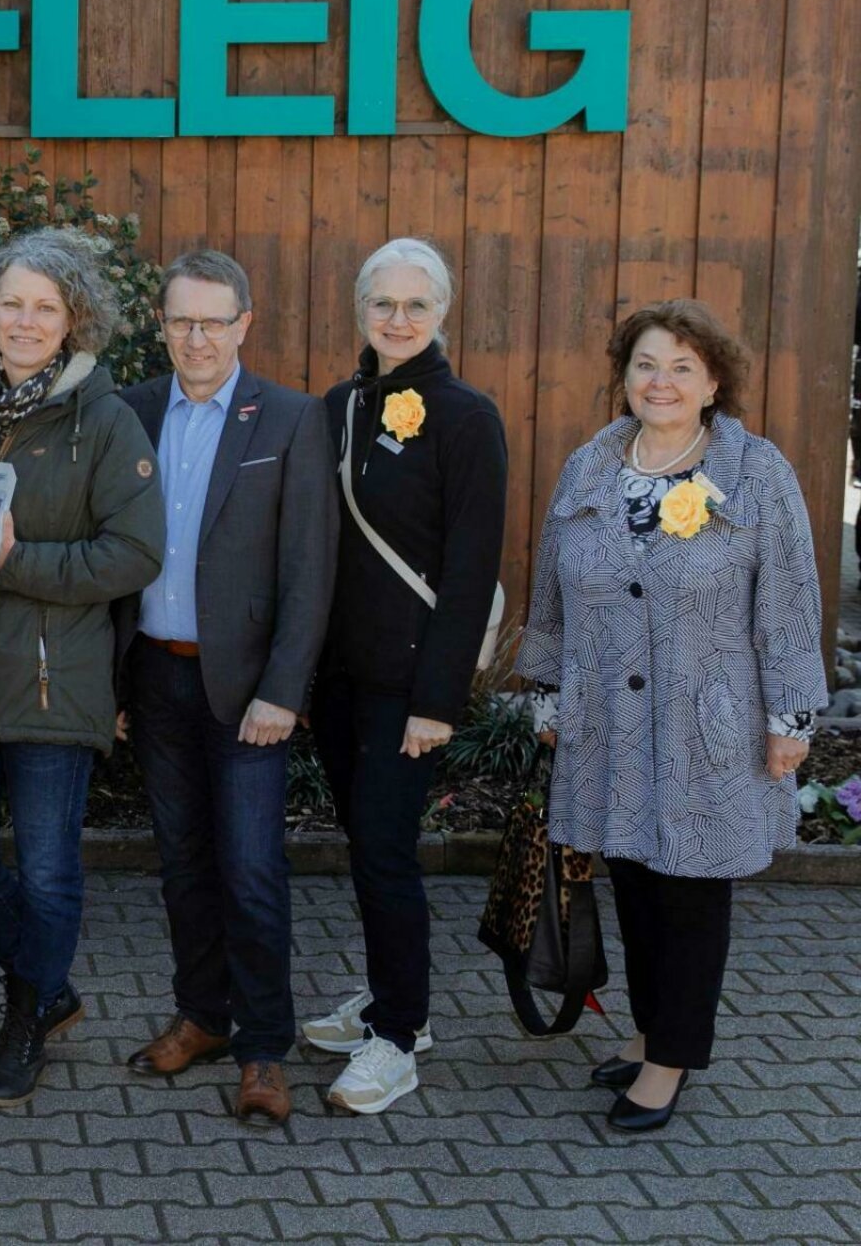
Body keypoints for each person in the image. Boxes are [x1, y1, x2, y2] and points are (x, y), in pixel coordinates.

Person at [517, 298, 823, 1133]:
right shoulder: (589, 466)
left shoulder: (755, 472)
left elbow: (791, 598)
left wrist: (792, 713)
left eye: (683, 366)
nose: (662, 381)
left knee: (689, 892)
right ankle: (654, 1035)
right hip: (608, 720)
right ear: (624, 377)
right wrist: (545, 691)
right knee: (637, 881)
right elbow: (550, 590)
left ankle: (671, 1059)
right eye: (647, 364)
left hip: (708, 722)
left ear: (714, 381)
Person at [0, 227, 164, 1108]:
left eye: (44, 307)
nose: (24, 320)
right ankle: (50, 984)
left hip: (57, 684)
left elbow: (135, 553)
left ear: (74, 320)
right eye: (11, 303)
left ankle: (24, 1018)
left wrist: (13, 561)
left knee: (50, 868)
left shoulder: (105, 417)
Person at [116, 249, 336, 1123]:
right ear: (162, 324)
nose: (196, 337)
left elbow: (308, 568)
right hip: (155, 677)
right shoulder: (128, 410)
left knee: (251, 870)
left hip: (248, 692)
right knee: (182, 865)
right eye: (181, 320)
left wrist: (285, 689)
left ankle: (263, 1046)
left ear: (245, 323)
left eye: (213, 320)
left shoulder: (288, 417)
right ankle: (204, 1014)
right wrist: (116, 684)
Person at [303, 237, 508, 1115]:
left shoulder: (466, 416)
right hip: (339, 680)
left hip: (408, 685)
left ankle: (400, 1035)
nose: (397, 319)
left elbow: (470, 569)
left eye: (415, 305)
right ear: (360, 310)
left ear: (442, 313)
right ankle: (394, 1000)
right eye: (382, 304)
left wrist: (439, 700)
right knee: (366, 843)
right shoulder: (337, 406)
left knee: (386, 852)